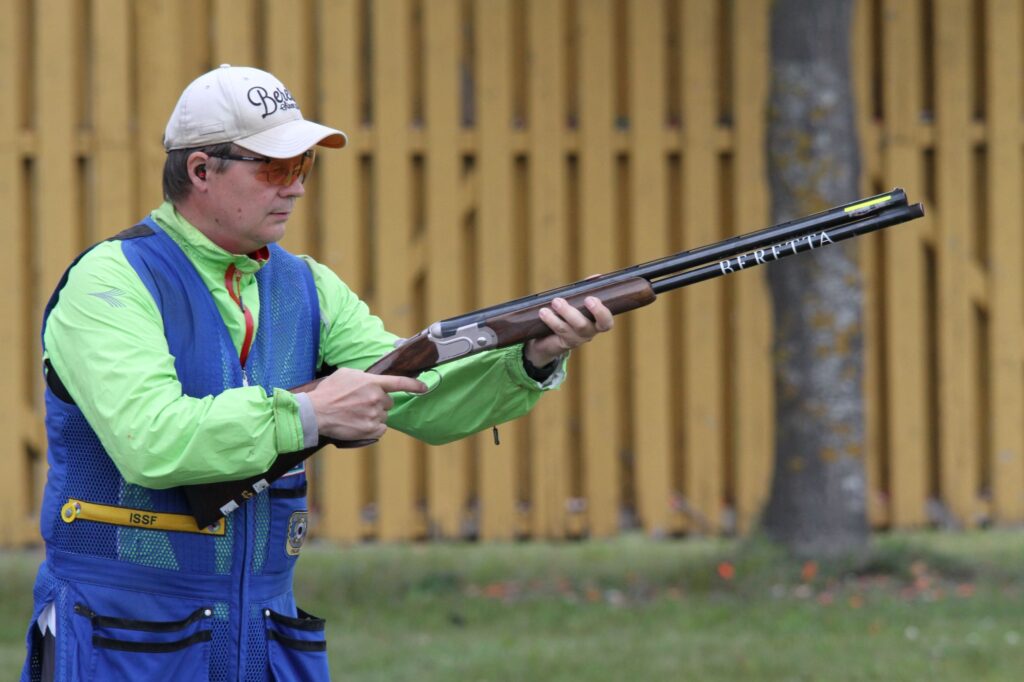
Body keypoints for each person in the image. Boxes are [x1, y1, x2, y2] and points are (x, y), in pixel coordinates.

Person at [21, 64, 613, 681]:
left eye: (302, 168)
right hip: (122, 640)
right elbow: (152, 439)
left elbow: (421, 395)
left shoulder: (306, 286)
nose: (296, 188)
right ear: (200, 170)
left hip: (265, 637)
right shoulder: (110, 281)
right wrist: (308, 415)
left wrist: (530, 357)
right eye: (276, 168)